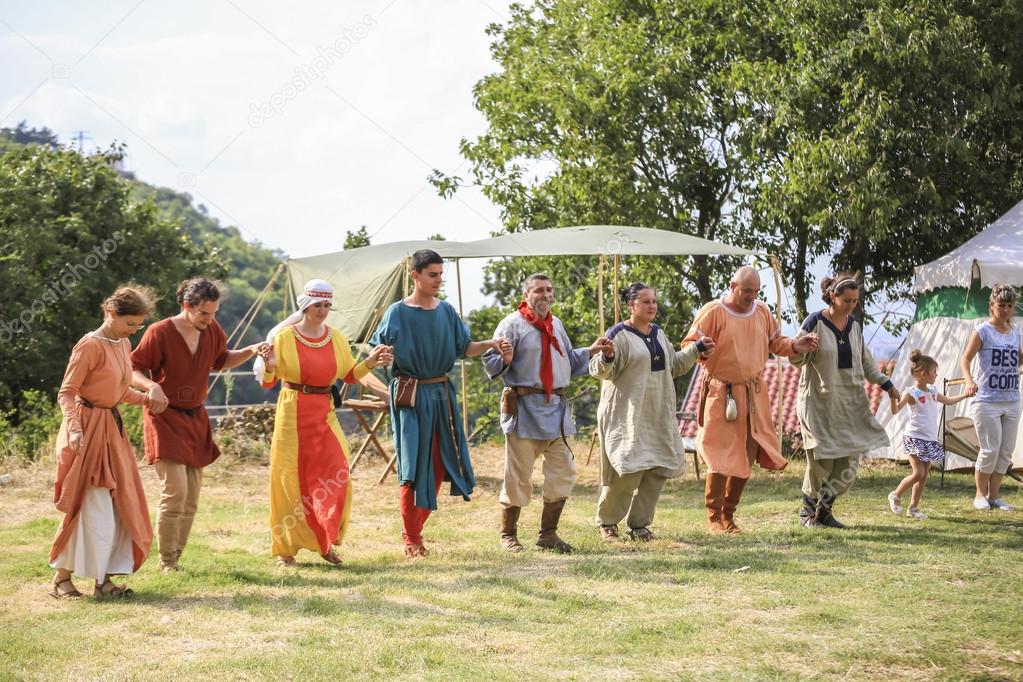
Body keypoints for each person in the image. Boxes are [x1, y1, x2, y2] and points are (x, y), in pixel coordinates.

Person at [369, 249, 506, 558]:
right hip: (411, 395)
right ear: (414, 275)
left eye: (441, 275)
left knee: (440, 464)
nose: (438, 280)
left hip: (442, 395)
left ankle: (416, 530)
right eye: (432, 275)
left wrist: (491, 344)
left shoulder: (446, 311)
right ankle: (411, 538)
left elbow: (464, 347)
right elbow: (377, 351)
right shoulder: (397, 313)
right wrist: (384, 356)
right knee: (414, 467)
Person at [131, 277, 269, 572]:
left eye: (215, 313)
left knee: (191, 498)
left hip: (196, 417)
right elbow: (133, 368)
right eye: (204, 313)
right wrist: (150, 387)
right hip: (164, 416)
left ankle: (176, 559)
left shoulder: (212, 330)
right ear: (186, 306)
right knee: (176, 492)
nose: (210, 319)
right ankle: (166, 561)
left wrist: (251, 350)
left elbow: (222, 360)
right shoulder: (160, 332)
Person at [256, 279, 392, 566]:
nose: (323, 310)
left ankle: (325, 539)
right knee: (288, 480)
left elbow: (350, 375)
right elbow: (269, 382)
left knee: (337, 474)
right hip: (292, 412)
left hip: (324, 412)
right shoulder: (284, 338)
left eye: (328, 305)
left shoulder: (336, 337)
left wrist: (373, 362)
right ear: (305, 305)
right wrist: (269, 366)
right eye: (318, 304)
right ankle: (286, 550)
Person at [683, 266, 818, 534]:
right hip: (721, 392)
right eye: (746, 291)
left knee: (746, 455)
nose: (751, 297)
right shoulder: (714, 311)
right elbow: (689, 345)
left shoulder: (762, 311)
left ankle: (729, 516)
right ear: (732, 286)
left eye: (755, 292)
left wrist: (795, 346)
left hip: (753, 393)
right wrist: (701, 348)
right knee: (719, 454)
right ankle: (713, 518)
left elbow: (775, 342)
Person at [482, 273, 611, 553]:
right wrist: (504, 359)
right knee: (517, 476)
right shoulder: (511, 325)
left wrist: (590, 351)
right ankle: (509, 535)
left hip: (557, 412)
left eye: (549, 290)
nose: (545, 295)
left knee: (563, 472)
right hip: (525, 410)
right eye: (539, 290)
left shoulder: (556, 325)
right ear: (526, 295)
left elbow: (567, 362)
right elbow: (490, 363)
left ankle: (548, 534)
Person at [49, 285, 161, 599]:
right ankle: (63, 579)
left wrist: (146, 400)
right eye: (130, 324)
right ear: (111, 313)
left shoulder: (123, 344)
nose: (135, 330)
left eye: (139, 325)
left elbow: (118, 391)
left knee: (117, 504)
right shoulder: (90, 345)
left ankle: (103, 581)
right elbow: (67, 392)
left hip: (111, 430)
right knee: (91, 504)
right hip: (85, 430)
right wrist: (74, 429)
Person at [590, 283, 713, 541]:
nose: (652, 306)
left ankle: (639, 526)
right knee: (628, 469)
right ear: (631, 305)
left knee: (657, 469)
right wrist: (608, 357)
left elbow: (675, 365)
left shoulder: (658, 334)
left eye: (654, 301)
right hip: (627, 416)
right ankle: (608, 523)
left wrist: (696, 349)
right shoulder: (618, 335)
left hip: (657, 414)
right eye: (645, 302)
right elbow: (600, 371)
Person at [790, 274, 899, 529]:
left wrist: (888, 385)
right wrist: (798, 347)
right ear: (833, 297)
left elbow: (868, 365)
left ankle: (824, 512)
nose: (852, 305)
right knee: (821, 462)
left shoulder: (855, 327)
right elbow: (794, 359)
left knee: (847, 464)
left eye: (855, 301)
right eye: (847, 300)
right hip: (818, 404)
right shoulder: (814, 322)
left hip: (849, 404)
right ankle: (807, 514)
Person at [888, 350, 972, 519]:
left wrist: (965, 394)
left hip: (929, 439)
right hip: (914, 438)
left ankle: (913, 508)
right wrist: (892, 398)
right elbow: (896, 411)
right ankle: (895, 495)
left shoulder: (933, 391)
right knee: (918, 473)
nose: (936, 375)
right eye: (934, 371)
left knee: (924, 476)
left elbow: (948, 401)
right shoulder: (911, 393)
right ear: (923, 374)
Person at [960, 283, 1020, 511]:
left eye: (1009, 305)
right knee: (990, 449)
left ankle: (994, 496)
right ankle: (979, 494)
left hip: (1012, 399)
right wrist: (969, 381)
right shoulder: (983, 330)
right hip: (986, 400)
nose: (1005, 310)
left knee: (1005, 451)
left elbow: (1017, 361)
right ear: (992, 306)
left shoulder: (1016, 333)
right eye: (1001, 305)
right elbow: (965, 359)